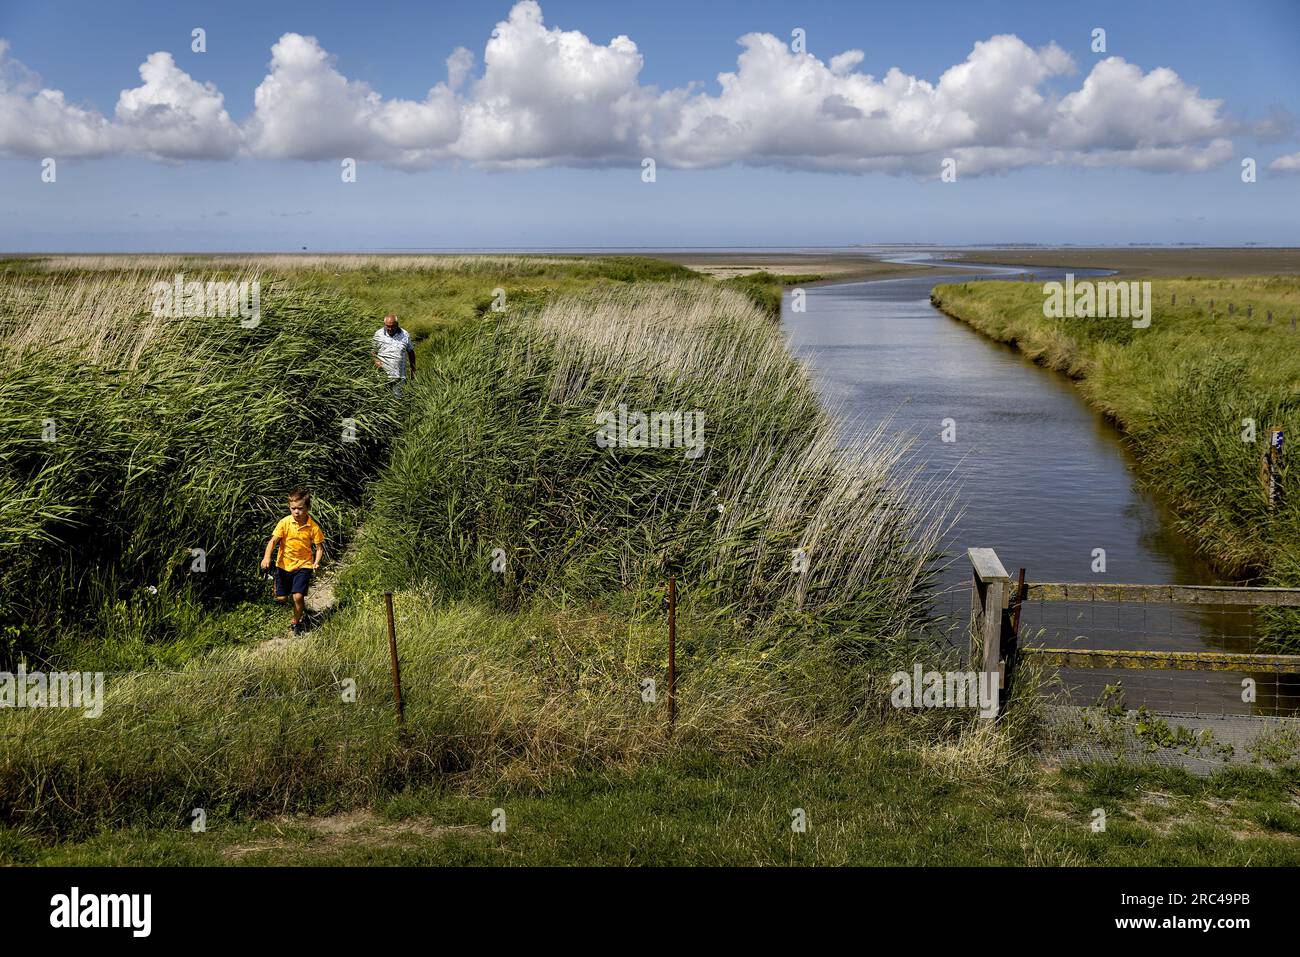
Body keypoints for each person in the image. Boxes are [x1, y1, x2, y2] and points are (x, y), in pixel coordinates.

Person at [260, 487, 325, 635]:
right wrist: (266, 557)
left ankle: (296, 621)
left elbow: (319, 548)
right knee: (281, 598)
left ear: (307, 508)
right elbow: (273, 541)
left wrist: (316, 562)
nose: (296, 512)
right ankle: (278, 585)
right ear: (289, 508)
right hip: (283, 565)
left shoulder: (313, 527)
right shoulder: (284, 523)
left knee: (298, 595)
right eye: (293, 508)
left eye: (300, 508)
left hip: (304, 565)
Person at [371, 313, 415, 397]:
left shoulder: (405, 335)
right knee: (382, 401)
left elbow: (411, 352)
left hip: (399, 377)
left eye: (392, 326)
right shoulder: (378, 334)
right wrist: (376, 360)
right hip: (382, 377)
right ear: (384, 324)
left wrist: (413, 370)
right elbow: (373, 352)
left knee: (398, 401)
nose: (390, 328)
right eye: (388, 326)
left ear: (397, 324)